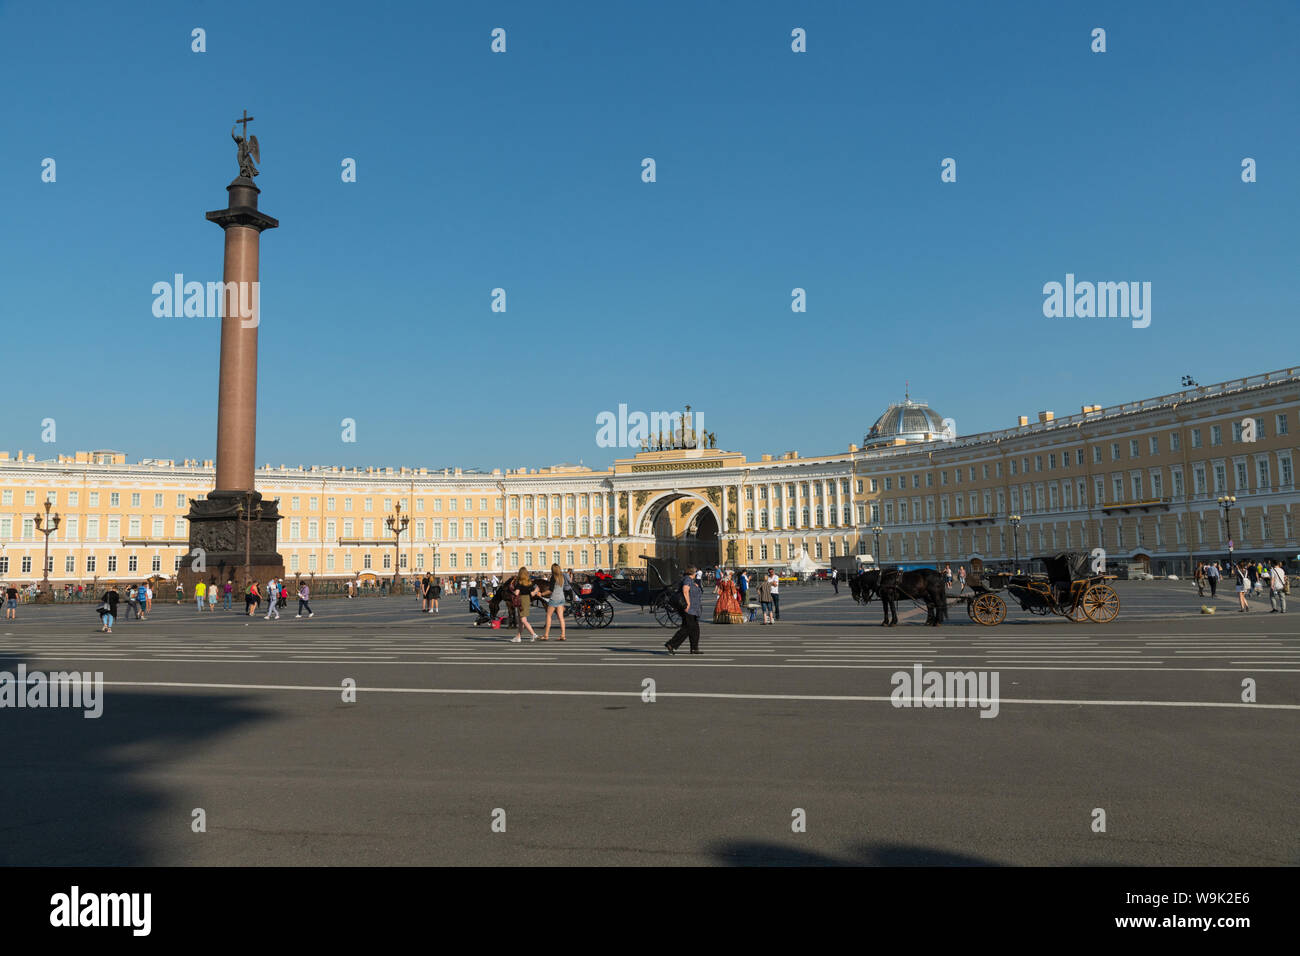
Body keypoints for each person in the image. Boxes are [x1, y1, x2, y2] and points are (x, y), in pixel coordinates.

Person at [665, 566, 703, 655]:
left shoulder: (691, 580)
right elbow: (685, 590)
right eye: (696, 572)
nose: (696, 573)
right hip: (688, 608)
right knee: (687, 628)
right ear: (692, 573)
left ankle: (694, 648)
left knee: (695, 628)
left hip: (693, 609)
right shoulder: (687, 579)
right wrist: (688, 604)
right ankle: (671, 644)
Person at [509, 568, 539, 643]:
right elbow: (532, 594)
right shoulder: (529, 582)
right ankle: (518, 637)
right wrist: (536, 590)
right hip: (527, 599)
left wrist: (511, 590)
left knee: (523, 620)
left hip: (521, 600)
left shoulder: (519, 582)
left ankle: (533, 634)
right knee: (520, 621)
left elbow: (516, 593)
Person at [542, 563, 570, 641]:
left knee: (548, 615)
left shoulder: (553, 577)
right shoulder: (562, 577)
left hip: (554, 598)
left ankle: (546, 635)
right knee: (561, 617)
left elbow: (550, 590)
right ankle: (563, 635)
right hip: (561, 598)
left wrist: (542, 593)